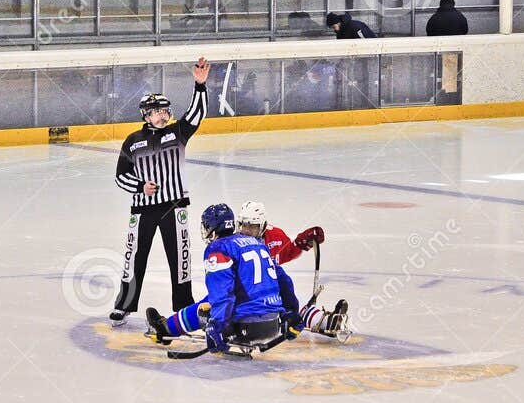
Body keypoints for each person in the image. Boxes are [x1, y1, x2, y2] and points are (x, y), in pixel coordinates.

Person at [110, 58, 212, 324]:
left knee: (180, 259)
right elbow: (120, 177)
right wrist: (141, 187)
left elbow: (197, 115)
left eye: (165, 110)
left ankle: (184, 306)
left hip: (174, 207)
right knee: (135, 257)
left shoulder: (178, 132)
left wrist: (200, 85)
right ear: (145, 114)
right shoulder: (132, 142)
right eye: (157, 111)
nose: (163, 114)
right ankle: (124, 305)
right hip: (142, 210)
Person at [143, 202, 303, 355]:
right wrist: (290, 313)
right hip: (273, 326)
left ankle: (165, 329)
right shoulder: (258, 243)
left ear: (212, 230)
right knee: (238, 293)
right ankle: (169, 326)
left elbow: (222, 293)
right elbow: (283, 281)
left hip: (246, 328)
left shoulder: (218, 248)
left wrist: (217, 325)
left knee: (206, 306)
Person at [240, 201, 349, 340]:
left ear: (263, 226)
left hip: (267, 294)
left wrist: (302, 242)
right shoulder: (234, 242)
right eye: (244, 225)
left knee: (288, 296)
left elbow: (287, 253)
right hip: (246, 296)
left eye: (252, 226)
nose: (247, 230)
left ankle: (324, 321)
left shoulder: (274, 236)